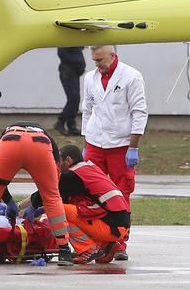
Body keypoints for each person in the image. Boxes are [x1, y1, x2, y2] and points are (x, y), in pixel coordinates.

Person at [0, 122, 72, 264]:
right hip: (41, 144)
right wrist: (34, 205)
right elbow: (52, 187)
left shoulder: (3, 135)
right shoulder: (49, 140)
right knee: (53, 197)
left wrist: (9, 201)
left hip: (10, 141)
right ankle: (64, 250)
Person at [38, 144, 131, 264]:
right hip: (118, 226)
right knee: (73, 211)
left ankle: (87, 249)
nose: (57, 164)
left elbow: (45, 195)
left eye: (58, 160)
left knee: (57, 212)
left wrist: (22, 207)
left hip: (111, 226)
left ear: (68, 160)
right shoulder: (89, 169)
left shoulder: (71, 175)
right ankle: (106, 246)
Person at [81, 45, 145, 201]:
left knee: (122, 191)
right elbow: (87, 110)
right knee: (90, 190)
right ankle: (97, 225)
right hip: (94, 143)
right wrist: (85, 144)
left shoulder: (131, 77)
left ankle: (122, 225)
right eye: (94, 60)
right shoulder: (90, 78)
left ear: (112, 55)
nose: (97, 65)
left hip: (120, 145)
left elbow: (139, 112)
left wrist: (133, 147)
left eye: (100, 60)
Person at [56, 46, 86, 135]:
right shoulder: (65, 40)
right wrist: (78, 63)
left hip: (74, 72)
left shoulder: (75, 40)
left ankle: (71, 125)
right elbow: (62, 54)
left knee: (75, 99)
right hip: (67, 72)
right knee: (73, 98)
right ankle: (61, 121)